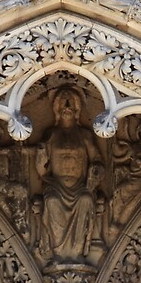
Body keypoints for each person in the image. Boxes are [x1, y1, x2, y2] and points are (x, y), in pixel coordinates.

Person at [35, 87, 104, 264]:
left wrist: (95, 171)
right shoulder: (51, 135)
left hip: (80, 186)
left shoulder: (84, 135)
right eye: (63, 101)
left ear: (77, 108)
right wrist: (41, 156)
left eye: (70, 102)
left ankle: (76, 252)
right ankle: (58, 253)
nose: (67, 105)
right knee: (51, 201)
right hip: (56, 185)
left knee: (86, 199)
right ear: (57, 108)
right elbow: (42, 171)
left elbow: (96, 159)